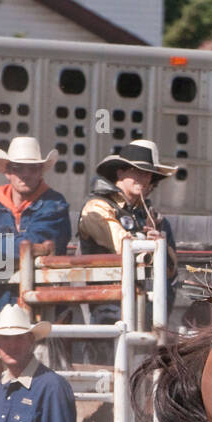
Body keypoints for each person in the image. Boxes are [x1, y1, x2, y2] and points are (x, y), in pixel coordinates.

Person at [76, 139, 179, 362]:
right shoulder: (97, 208)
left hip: (149, 312)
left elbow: (172, 270)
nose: (144, 178)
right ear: (120, 172)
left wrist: (159, 243)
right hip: (110, 308)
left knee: (144, 375)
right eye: (137, 172)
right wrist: (153, 246)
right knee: (110, 370)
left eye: (148, 174)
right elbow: (123, 246)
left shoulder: (155, 218)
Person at [0, 136, 71, 323]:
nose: (25, 174)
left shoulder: (55, 205)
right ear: (8, 172)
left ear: (41, 172)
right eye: (18, 168)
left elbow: (35, 243)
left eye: (32, 168)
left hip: (45, 311)